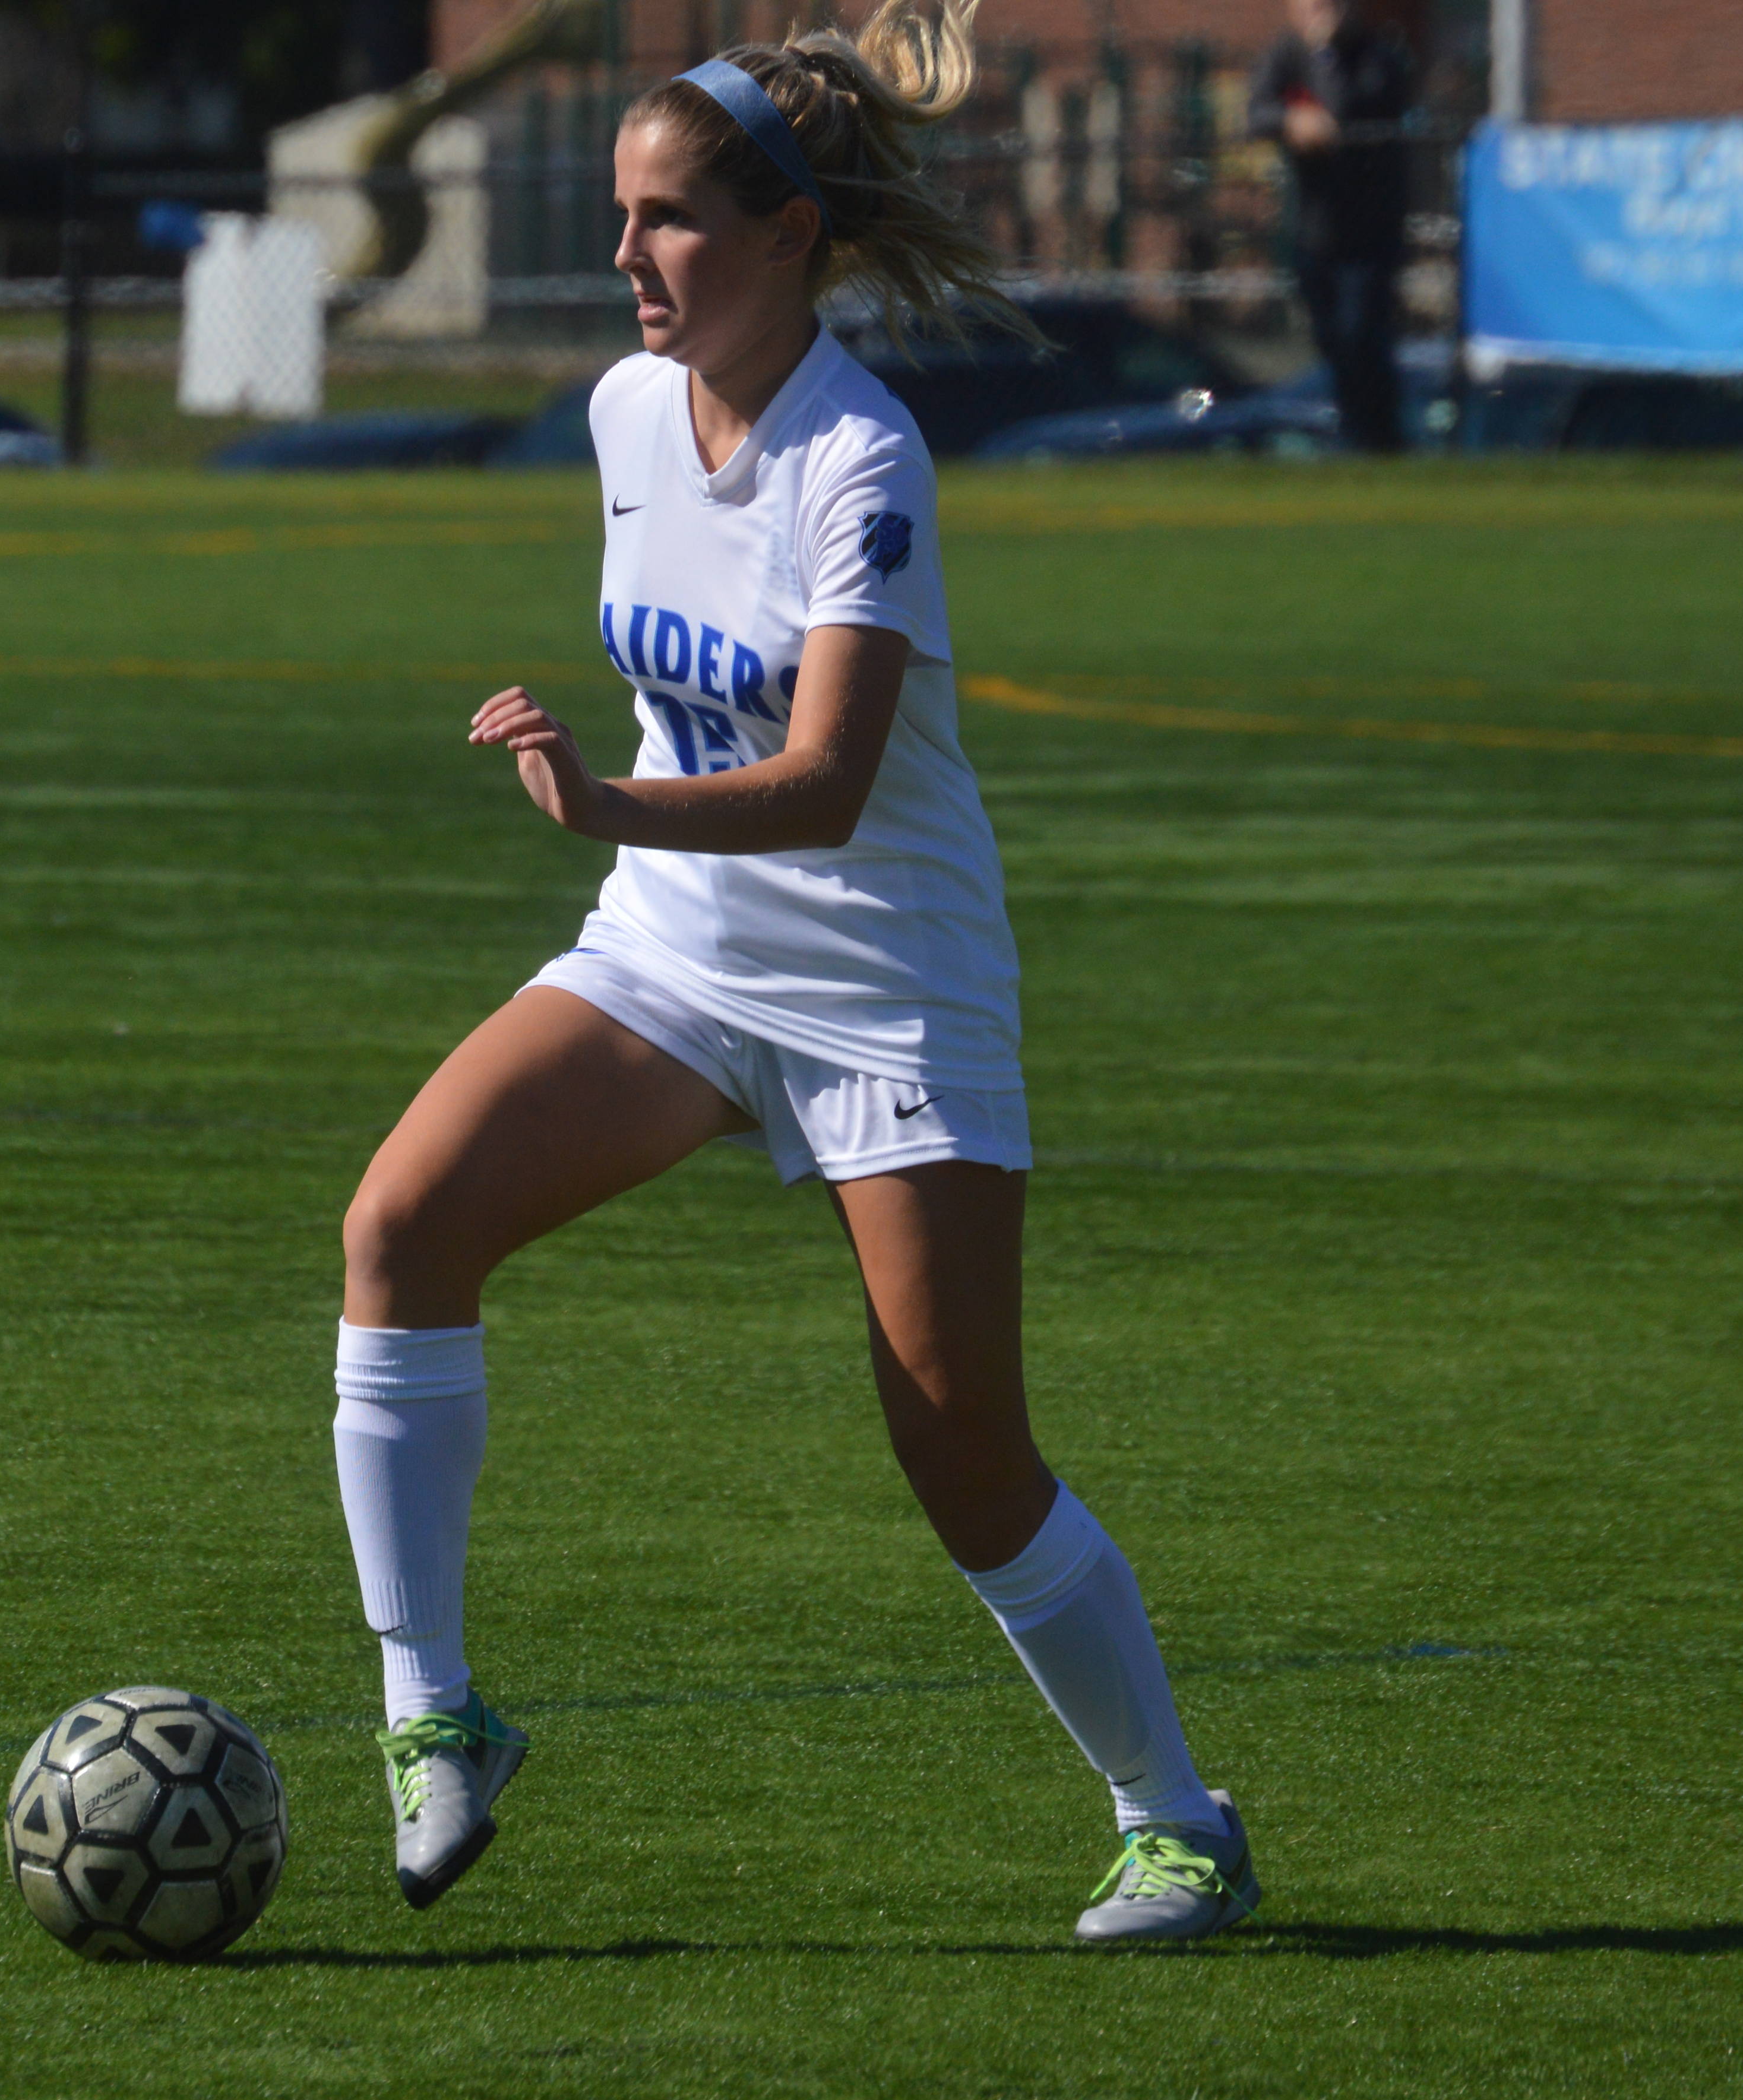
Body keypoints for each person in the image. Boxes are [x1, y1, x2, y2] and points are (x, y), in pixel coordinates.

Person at [333, 0, 1263, 1944]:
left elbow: (829, 785)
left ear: (783, 238)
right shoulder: (613, 411)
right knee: (400, 1225)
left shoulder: (865, 460)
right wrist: (628, 833)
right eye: (618, 217)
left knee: (958, 1449)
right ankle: (437, 1720)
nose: (624, 260)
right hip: (675, 956)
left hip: (881, 985)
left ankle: (1174, 1817)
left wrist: (600, 807)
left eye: (665, 221)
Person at [1245, 0, 1416, 456]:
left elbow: (1342, 112)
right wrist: (1288, 119)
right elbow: (1255, 113)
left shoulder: (1376, 57)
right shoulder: (1285, 54)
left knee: (1362, 333)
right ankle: (1357, 435)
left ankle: (1379, 439)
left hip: (1369, 233)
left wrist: (1324, 59)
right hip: (1314, 232)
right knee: (1330, 340)